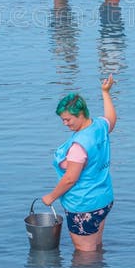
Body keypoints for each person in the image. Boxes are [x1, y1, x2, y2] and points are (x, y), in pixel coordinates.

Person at [41, 76, 117, 252]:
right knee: (96, 246)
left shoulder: (79, 146)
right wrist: (105, 93)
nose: (65, 123)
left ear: (81, 114)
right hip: (103, 199)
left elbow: (70, 179)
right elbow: (111, 119)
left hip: (84, 206)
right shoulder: (99, 126)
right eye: (62, 120)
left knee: (84, 253)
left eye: (68, 119)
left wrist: (51, 197)